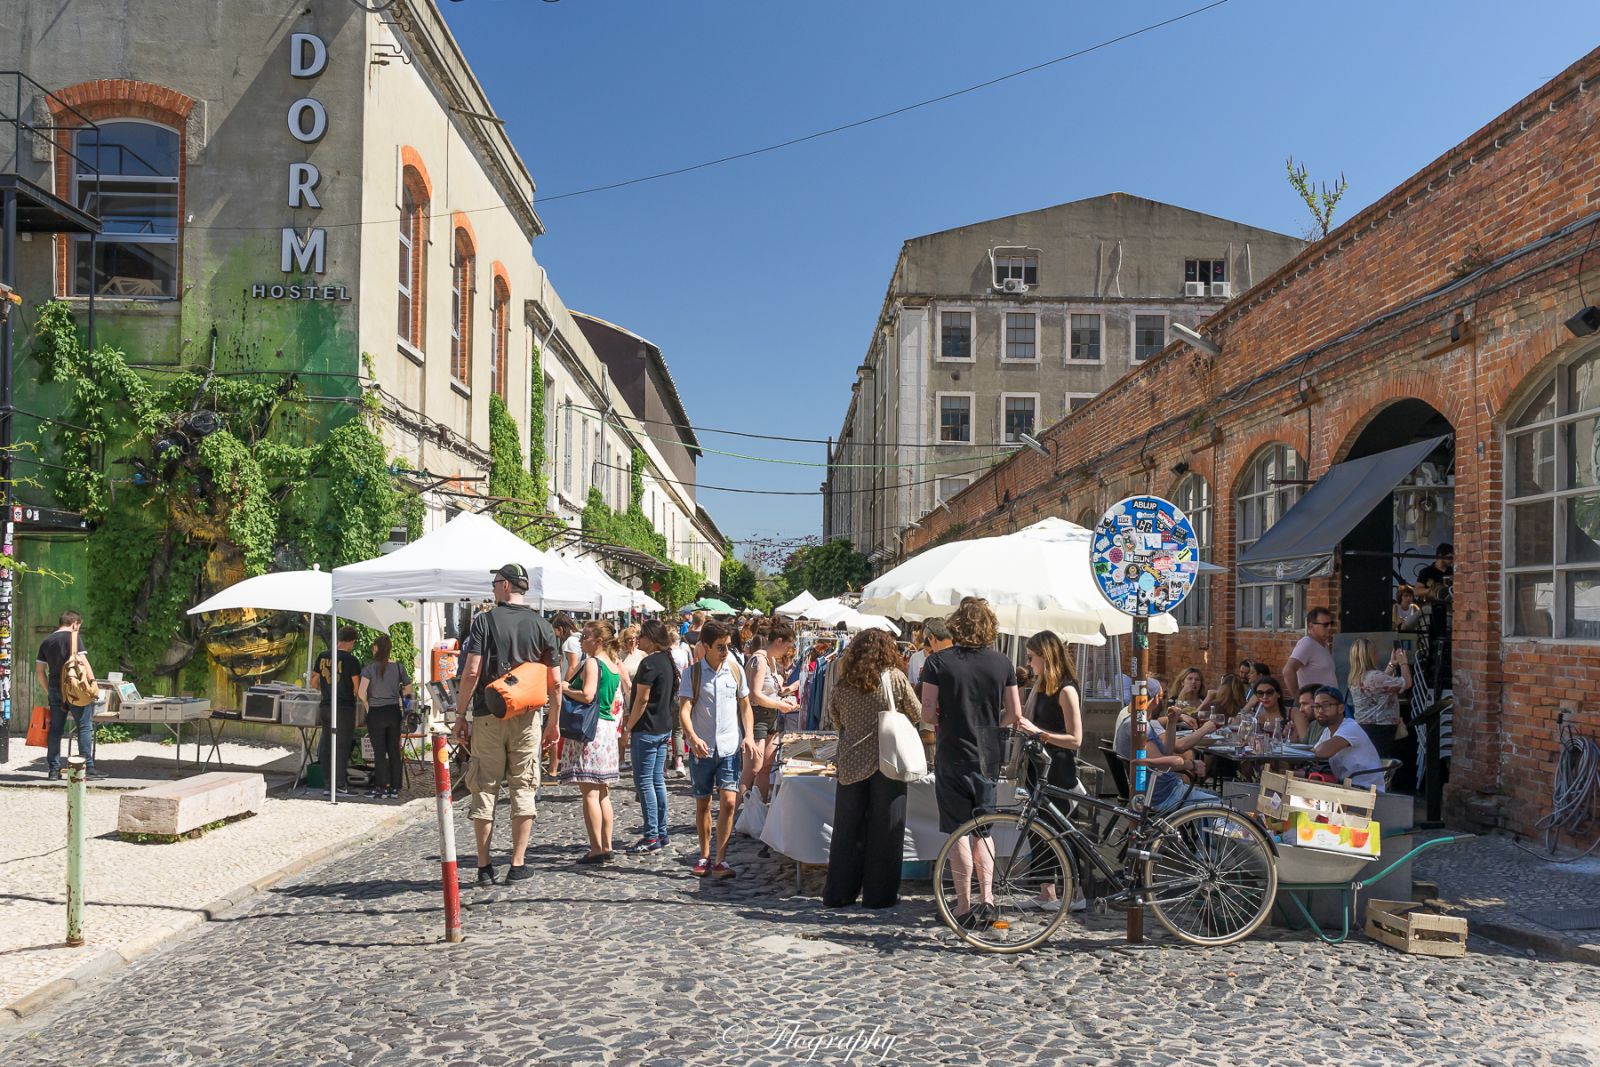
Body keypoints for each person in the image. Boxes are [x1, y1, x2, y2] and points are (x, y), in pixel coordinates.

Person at [453, 563, 560, 886]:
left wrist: (460, 715)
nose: (492, 587)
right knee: (523, 784)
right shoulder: (543, 626)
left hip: (488, 714)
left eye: (495, 582)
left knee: (484, 785)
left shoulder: (484, 622)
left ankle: (485, 866)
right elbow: (555, 683)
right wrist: (553, 723)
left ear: (505, 586)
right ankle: (517, 862)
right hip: (528, 716)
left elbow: (472, 671)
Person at [920, 599, 1022, 928]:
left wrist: (947, 718)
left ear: (955, 626)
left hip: (952, 750)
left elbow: (926, 713)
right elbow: (1015, 715)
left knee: (957, 831)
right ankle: (988, 900)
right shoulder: (1003, 663)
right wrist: (992, 724)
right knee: (984, 828)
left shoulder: (937, 663)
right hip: (988, 751)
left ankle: (963, 906)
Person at [821, 628, 920, 910]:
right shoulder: (895, 679)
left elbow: (835, 719)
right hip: (888, 762)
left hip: (851, 762)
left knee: (847, 831)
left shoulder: (843, 683)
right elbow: (915, 713)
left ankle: (839, 893)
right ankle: (880, 896)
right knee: (886, 831)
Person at [677, 620, 755, 879]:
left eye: (728, 646)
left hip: (730, 747)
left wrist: (749, 735)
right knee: (703, 804)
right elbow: (685, 710)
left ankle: (721, 860)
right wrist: (692, 736)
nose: (726, 652)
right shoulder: (693, 673)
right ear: (706, 647)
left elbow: (745, 705)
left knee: (730, 802)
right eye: (720, 647)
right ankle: (704, 855)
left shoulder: (735, 670)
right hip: (703, 749)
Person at [559, 619, 625, 862]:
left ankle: (596, 847)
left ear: (598, 640)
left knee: (589, 792)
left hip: (592, 729)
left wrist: (565, 688)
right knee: (603, 791)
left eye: (585, 636)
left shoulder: (593, 663)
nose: (581, 640)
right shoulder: (614, 663)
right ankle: (606, 845)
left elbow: (587, 695)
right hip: (608, 729)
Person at [621, 619, 678, 854]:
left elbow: (642, 700)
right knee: (657, 781)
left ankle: (652, 835)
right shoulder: (666, 660)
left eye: (642, 636)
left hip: (646, 729)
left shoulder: (649, 663)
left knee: (645, 783)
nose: (639, 640)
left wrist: (628, 727)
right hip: (663, 727)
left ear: (651, 638)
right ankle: (661, 832)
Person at [36, 610, 101, 780]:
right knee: (84, 727)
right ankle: (87, 768)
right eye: (79, 626)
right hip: (75, 690)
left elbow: (40, 672)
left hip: (55, 689)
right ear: (74, 624)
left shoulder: (46, 642)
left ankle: (53, 770)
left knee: (56, 730)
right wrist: (93, 685)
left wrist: (49, 690)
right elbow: (83, 664)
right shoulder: (74, 637)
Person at [743, 619, 799, 804]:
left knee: (766, 767)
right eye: (787, 647)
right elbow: (756, 695)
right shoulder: (759, 659)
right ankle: (734, 813)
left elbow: (773, 691)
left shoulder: (771, 661)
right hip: (758, 716)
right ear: (779, 641)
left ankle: (756, 812)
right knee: (753, 769)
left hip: (771, 717)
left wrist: (788, 692)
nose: (787, 652)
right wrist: (779, 705)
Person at [358, 634, 413, 799]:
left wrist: (368, 705)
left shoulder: (369, 669)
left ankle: (380, 788)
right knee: (394, 750)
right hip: (393, 711)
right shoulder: (398, 667)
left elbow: (361, 692)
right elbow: (409, 690)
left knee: (379, 751)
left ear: (376, 648)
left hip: (376, 712)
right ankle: (395, 788)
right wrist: (406, 706)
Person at [313, 626, 363, 796]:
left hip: (326, 706)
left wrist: (326, 687)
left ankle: (328, 785)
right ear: (351, 642)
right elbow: (357, 688)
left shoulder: (322, 656)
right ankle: (340, 785)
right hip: (344, 708)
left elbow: (313, 682)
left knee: (327, 744)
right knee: (342, 746)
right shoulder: (352, 661)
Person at [1311, 685, 1387, 790]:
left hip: (1366, 789)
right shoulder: (1328, 731)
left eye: (1326, 705)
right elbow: (1314, 752)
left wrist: (1314, 751)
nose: (1320, 710)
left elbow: (1322, 751)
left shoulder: (1350, 727)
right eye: (1316, 706)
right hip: (1346, 785)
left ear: (1341, 708)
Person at [1348, 638, 1411, 760]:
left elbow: (1382, 684)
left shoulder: (1356, 676)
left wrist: (1392, 664)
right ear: (1369, 656)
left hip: (1365, 726)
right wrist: (1403, 663)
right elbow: (1406, 683)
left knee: (1371, 761)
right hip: (1380, 727)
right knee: (1382, 762)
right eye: (1375, 652)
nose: (1378, 654)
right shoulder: (1374, 676)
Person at [1282, 606, 1338, 697]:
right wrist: (1298, 698)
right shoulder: (1307, 643)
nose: (1330, 627)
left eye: (1331, 623)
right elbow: (1288, 671)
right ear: (1311, 626)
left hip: (1327, 704)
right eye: (1325, 625)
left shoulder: (1323, 645)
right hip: (1314, 705)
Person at [666, 627, 693, 777]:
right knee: (678, 730)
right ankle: (679, 762)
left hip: (667, 694)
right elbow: (688, 669)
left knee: (664, 731)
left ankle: (663, 765)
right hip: (681, 692)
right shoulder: (683, 653)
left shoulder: (666, 654)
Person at [552, 613, 581, 680]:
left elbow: (572, 667)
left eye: (554, 630)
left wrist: (565, 685)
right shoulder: (578, 638)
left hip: (570, 685)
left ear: (560, 629)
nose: (555, 635)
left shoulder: (570, 641)